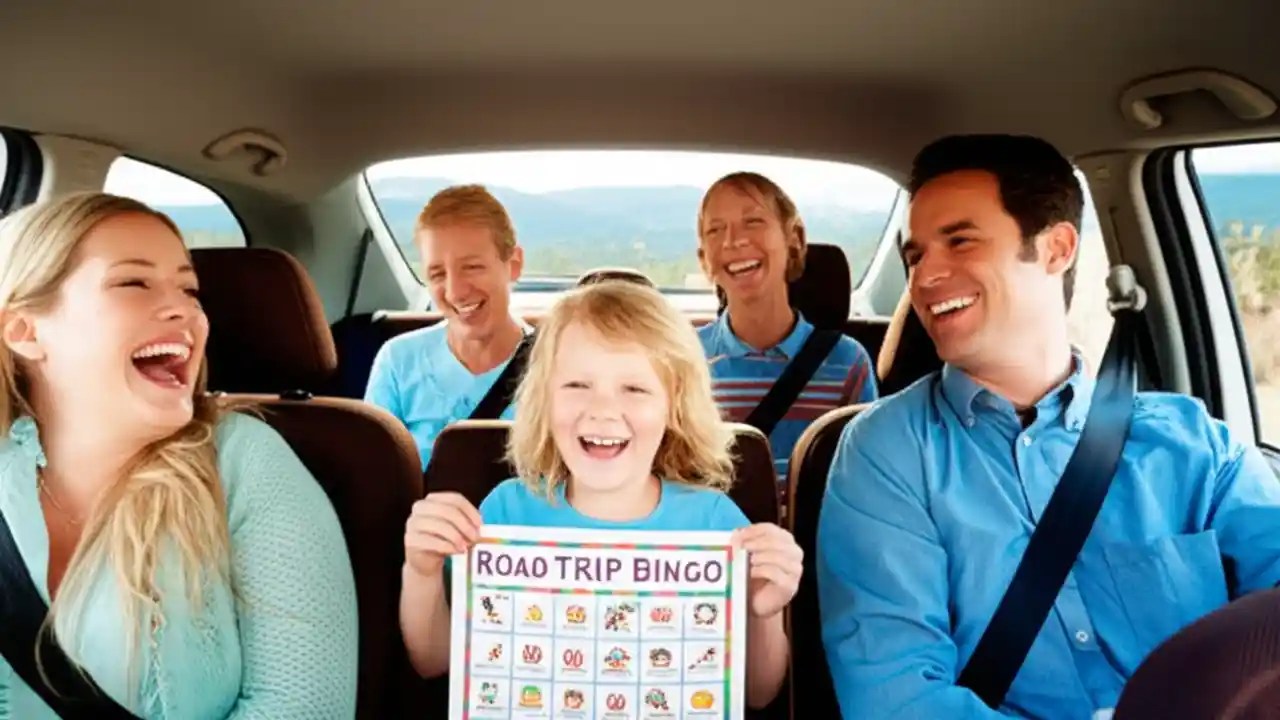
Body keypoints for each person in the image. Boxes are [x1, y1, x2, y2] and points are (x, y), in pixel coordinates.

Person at [816, 134, 1280, 719]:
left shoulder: (1197, 446)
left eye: (959, 241)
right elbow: (899, 699)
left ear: (1057, 248)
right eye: (915, 256)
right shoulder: (886, 452)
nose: (926, 274)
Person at [0, 193, 357, 718]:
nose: (185, 309)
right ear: (25, 332)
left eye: (190, 289)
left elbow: (302, 706)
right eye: (133, 282)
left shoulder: (244, 464)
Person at [399, 280, 802, 709]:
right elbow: (433, 662)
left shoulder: (715, 523)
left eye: (635, 389)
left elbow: (759, 693)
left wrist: (766, 612)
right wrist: (422, 572)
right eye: (577, 385)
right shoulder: (504, 511)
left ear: (673, 407)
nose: (603, 410)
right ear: (544, 401)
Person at [696, 172, 878, 489]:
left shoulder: (847, 363)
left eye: (752, 221)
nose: (732, 240)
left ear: (793, 238)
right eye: (715, 229)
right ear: (704, 258)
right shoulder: (684, 361)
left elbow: (867, 480)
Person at [364, 184, 530, 471]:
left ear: (513, 265)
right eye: (437, 274)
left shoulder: (556, 364)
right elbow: (373, 479)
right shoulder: (398, 361)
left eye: (472, 267)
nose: (455, 292)